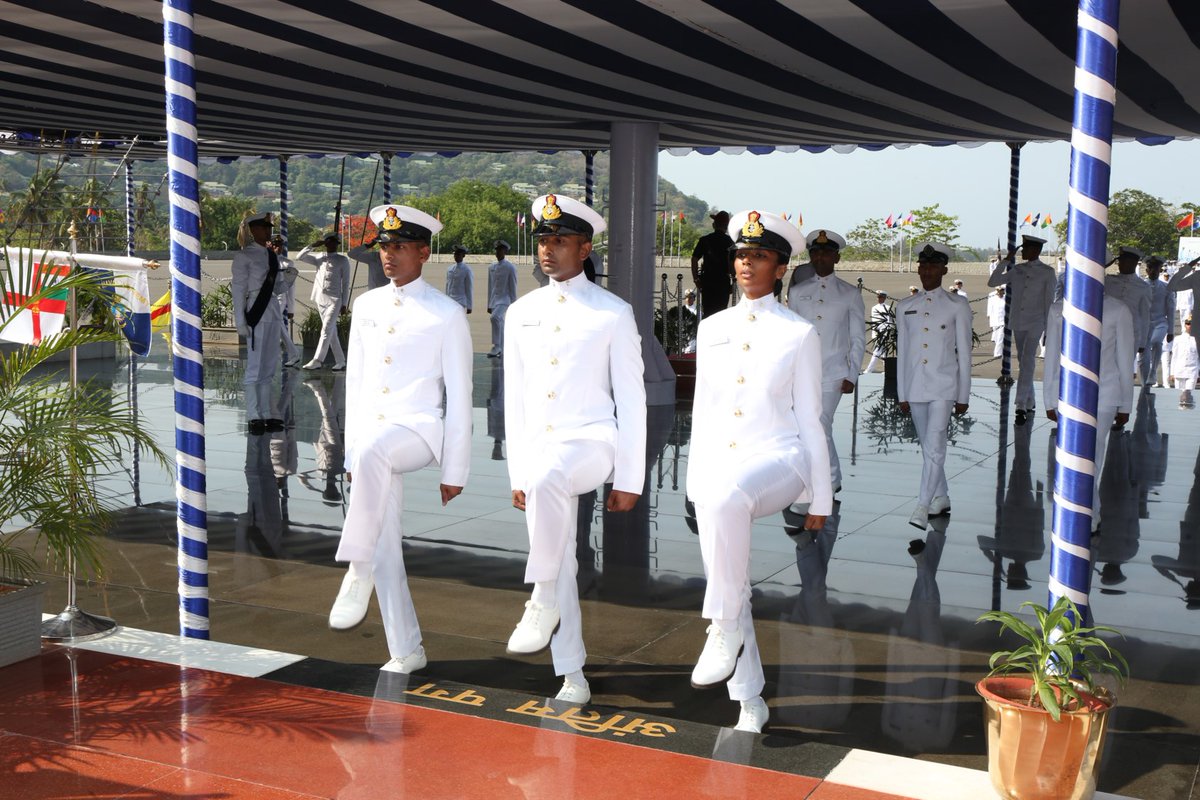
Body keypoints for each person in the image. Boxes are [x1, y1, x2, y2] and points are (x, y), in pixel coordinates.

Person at [688, 209, 831, 733]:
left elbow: (811, 419)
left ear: (780, 266)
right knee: (731, 581)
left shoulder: (799, 333)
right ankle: (750, 700)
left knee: (725, 509)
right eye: (742, 255)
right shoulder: (713, 328)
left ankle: (720, 628)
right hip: (722, 466)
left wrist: (819, 498)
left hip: (779, 457)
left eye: (760, 256)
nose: (747, 264)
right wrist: (690, 481)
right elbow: (702, 411)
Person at [503, 194, 646, 705]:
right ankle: (572, 673)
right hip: (539, 454)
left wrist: (630, 477)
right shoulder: (521, 312)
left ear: (585, 248)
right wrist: (516, 471)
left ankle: (538, 598)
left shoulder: (612, 312)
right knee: (558, 555)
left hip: (591, 441)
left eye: (560, 240)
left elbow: (632, 398)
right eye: (543, 240)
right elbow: (515, 401)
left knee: (550, 493)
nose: (549, 249)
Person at [325, 204, 473, 675]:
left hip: (419, 430)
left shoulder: (447, 314)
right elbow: (357, 382)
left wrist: (455, 469)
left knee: (376, 457)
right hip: (373, 441)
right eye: (385, 246)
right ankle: (406, 649)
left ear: (424, 253)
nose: (389, 255)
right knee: (385, 536)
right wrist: (351, 450)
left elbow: (462, 395)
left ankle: (356, 566)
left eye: (400, 247)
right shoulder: (366, 306)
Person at [897, 243, 972, 529]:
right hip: (915, 386)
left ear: (944, 270)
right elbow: (903, 353)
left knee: (935, 445)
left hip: (944, 386)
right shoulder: (905, 307)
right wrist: (903, 393)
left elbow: (964, 353)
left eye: (932, 266)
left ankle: (922, 505)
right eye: (922, 266)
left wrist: (962, 394)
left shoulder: (957, 305)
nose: (926, 271)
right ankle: (941, 496)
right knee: (928, 445)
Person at [1043, 295, 1134, 523]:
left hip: (1104, 393)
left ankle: (1089, 513)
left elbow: (1125, 360)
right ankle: (1085, 509)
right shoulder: (1057, 309)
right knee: (1070, 455)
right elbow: (1051, 358)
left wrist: (1125, 403)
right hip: (1067, 394)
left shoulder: (1118, 309)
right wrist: (1050, 399)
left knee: (1093, 453)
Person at [786, 229, 864, 493]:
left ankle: (826, 481)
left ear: (837, 258)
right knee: (804, 426)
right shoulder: (798, 292)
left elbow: (858, 338)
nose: (820, 257)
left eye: (826, 253)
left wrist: (852, 374)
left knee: (820, 424)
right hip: (803, 374)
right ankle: (830, 477)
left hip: (834, 372)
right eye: (816, 252)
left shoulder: (850, 294)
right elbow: (791, 336)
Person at [986, 234, 1055, 424]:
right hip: (1018, 321)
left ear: (1035, 250)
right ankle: (1030, 399)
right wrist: (1006, 260)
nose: (1022, 252)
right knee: (1023, 360)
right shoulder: (1017, 270)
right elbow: (992, 282)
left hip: (1036, 321)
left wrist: (1049, 330)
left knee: (1027, 360)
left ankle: (1020, 404)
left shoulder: (1047, 272)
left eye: (1025, 249)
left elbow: (1049, 302)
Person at [231, 211, 286, 435]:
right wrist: (240, 320)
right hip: (256, 310)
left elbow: (278, 288)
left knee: (268, 366)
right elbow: (238, 290)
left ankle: (266, 412)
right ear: (253, 230)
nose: (268, 232)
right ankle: (253, 414)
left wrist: (288, 278)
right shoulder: (244, 256)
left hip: (272, 310)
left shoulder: (272, 256)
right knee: (254, 367)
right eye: (264, 228)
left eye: (269, 228)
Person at [297, 233, 351, 370]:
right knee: (330, 331)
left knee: (326, 329)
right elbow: (300, 257)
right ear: (325, 243)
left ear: (337, 244)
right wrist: (312, 246)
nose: (331, 244)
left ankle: (317, 360)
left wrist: (344, 304)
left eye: (334, 242)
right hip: (320, 298)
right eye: (328, 242)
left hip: (335, 300)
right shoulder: (319, 258)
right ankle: (341, 361)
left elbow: (345, 284)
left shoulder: (342, 260)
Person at [1105, 246, 1151, 381]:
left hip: (1131, 333)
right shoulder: (1108, 281)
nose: (1121, 265)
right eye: (1120, 261)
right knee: (1107, 365)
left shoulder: (1143, 287)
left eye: (1125, 261)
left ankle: (1122, 399)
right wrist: (1104, 265)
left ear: (1134, 263)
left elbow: (1145, 316)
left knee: (1124, 368)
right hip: (1108, 331)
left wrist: (1142, 343)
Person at [691, 210, 735, 317]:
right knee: (721, 314)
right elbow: (733, 264)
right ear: (726, 226)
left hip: (707, 282)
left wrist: (696, 278)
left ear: (714, 225)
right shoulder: (730, 242)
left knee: (708, 313)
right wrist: (733, 281)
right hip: (723, 283)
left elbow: (694, 259)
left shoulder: (705, 240)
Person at [1142, 256, 1175, 390]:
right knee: (1143, 353)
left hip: (1160, 322)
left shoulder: (1167, 287)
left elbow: (1171, 309)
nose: (1154, 271)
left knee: (1156, 342)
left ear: (1160, 270)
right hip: (1145, 324)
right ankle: (1145, 379)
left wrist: (1171, 331)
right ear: (1147, 270)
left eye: (1157, 269)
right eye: (1152, 269)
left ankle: (1154, 371)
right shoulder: (1141, 286)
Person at [270, 235, 301, 368]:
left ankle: (293, 354)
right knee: (276, 325)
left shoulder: (287, 263)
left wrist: (291, 309)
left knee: (278, 324)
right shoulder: (264, 260)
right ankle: (291, 354)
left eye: (280, 245)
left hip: (279, 298)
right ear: (270, 245)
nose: (279, 247)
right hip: (266, 297)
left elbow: (291, 288)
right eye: (276, 244)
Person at [487, 239, 518, 357]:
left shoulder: (510, 267)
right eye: (497, 250)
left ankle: (497, 346)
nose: (498, 253)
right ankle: (504, 347)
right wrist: (489, 304)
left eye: (500, 250)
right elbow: (490, 287)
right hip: (495, 301)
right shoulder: (491, 267)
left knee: (495, 318)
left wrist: (514, 304)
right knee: (500, 322)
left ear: (505, 252)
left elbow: (512, 286)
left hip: (505, 300)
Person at [863, 290, 891, 374]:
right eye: (878, 297)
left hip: (884, 332)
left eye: (881, 297)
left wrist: (887, 332)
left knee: (878, 352)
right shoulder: (874, 307)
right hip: (877, 333)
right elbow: (873, 321)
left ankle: (869, 369)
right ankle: (886, 370)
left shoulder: (888, 307)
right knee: (881, 352)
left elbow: (889, 321)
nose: (879, 299)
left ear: (884, 298)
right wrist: (874, 333)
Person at [1175, 316, 1198, 408]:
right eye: (1188, 323)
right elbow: (1174, 357)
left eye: (1191, 324)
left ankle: (1189, 407)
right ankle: (1181, 409)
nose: (1189, 326)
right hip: (1180, 369)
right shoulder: (1178, 339)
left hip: (1192, 369)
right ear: (1185, 325)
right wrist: (1172, 373)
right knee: (1180, 394)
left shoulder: (1197, 339)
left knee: (1188, 392)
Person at [445, 244, 474, 313]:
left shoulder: (467, 270)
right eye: (455, 254)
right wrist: (446, 300)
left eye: (458, 254)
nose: (456, 256)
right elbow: (448, 286)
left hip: (460, 301)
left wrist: (469, 306)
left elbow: (469, 288)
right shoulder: (450, 269)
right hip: (450, 300)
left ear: (463, 255)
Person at [987, 287, 1006, 358]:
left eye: (1001, 291)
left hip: (1003, 321)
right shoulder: (993, 298)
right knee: (996, 337)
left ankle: (997, 353)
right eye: (999, 291)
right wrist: (990, 321)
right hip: (994, 320)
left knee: (1000, 337)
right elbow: (990, 309)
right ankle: (998, 351)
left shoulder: (1006, 299)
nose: (1000, 293)